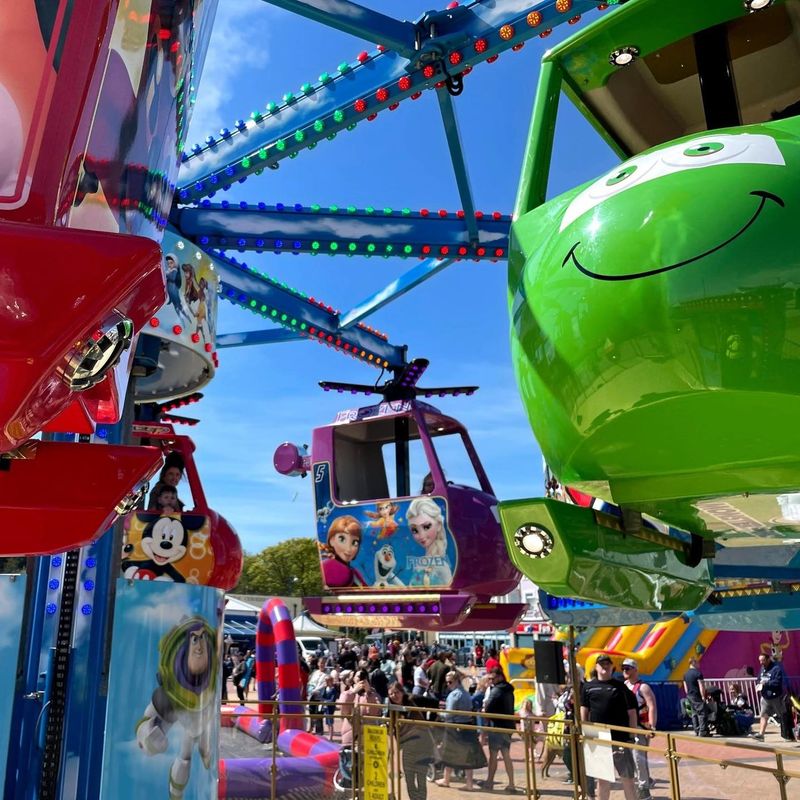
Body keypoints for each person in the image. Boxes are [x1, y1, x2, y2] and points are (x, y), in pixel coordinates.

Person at [580, 654, 638, 800]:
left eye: (607, 664)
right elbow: (584, 710)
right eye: (601, 664)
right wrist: (585, 732)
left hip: (619, 737)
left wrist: (631, 735)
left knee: (627, 777)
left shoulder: (621, 687)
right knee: (602, 779)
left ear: (612, 667)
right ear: (596, 667)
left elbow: (631, 712)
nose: (605, 666)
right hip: (598, 736)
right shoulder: (588, 687)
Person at [436, 671, 486, 789]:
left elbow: (449, 714)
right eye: (447, 682)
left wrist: (439, 713)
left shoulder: (454, 695)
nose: (448, 685)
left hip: (455, 727)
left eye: (450, 682)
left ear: (456, 681)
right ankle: (467, 783)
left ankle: (447, 780)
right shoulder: (466, 693)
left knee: (450, 754)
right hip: (467, 726)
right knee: (467, 755)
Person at [388, 681, 435, 800]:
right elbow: (391, 729)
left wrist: (432, 721)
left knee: (420, 777)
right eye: (391, 694)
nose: (394, 696)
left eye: (397, 692)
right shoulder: (392, 708)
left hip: (423, 744)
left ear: (402, 692)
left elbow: (434, 702)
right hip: (408, 746)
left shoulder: (413, 700)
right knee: (409, 777)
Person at [479, 666, 519, 793]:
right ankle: (511, 783)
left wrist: (485, 711)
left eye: (493, 678)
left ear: (500, 677)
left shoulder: (497, 690)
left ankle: (489, 781)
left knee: (493, 755)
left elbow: (488, 707)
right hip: (508, 726)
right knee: (506, 754)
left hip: (497, 726)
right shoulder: (508, 689)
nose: (491, 681)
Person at [622, 658, 657, 800]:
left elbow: (652, 705)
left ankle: (644, 788)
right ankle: (646, 781)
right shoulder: (624, 685)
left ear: (635, 669)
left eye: (628, 668)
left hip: (640, 727)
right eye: (623, 668)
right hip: (627, 728)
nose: (625, 670)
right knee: (631, 758)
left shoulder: (643, 687)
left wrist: (652, 725)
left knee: (639, 757)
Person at [407, 497, 452, 586]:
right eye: (415, 530)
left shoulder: (442, 567)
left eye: (426, 527)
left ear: (438, 525)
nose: (421, 536)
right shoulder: (419, 563)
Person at [751, 652, 795, 741]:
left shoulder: (776, 668)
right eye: (760, 661)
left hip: (776, 697)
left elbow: (777, 682)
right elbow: (759, 679)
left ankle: (788, 735)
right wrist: (759, 684)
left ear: (768, 659)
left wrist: (766, 684)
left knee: (783, 715)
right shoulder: (762, 669)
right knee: (764, 715)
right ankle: (761, 735)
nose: (761, 663)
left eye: (763, 660)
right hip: (765, 697)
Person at [320, 516, 366, 587]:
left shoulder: (354, 572)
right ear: (331, 540)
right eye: (342, 539)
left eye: (355, 542)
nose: (349, 548)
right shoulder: (329, 565)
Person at [339, 669, 381, 746]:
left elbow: (375, 712)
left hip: (368, 737)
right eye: (358, 676)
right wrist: (353, 692)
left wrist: (369, 693)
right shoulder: (346, 693)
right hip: (350, 735)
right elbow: (344, 711)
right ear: (353, 679)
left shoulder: (373, 694)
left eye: (363, 676)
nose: (361, 679)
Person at [683, 657, 709, 737]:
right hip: (697, 695)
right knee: (702, 713)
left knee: (694, 713)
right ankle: (703, 731)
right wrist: (703, 696)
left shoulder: (685, 674)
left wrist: (688, 695)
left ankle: (696, 730)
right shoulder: (698, 673)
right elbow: (701, 686)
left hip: (689, 696)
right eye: (697, 662)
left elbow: (686, 688)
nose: (699, 664)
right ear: (693, 663)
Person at [320, 674, 339, 740]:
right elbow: (322, 697)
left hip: (330, 707)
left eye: (328, 681)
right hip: (325, 707)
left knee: (330, 722)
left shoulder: (333, 690)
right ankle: (329, 735)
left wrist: (326, 701)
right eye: (326, 681)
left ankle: (331, 737)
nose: (327, 682)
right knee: (327, 721)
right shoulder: (325, 688)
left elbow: (332, 699)